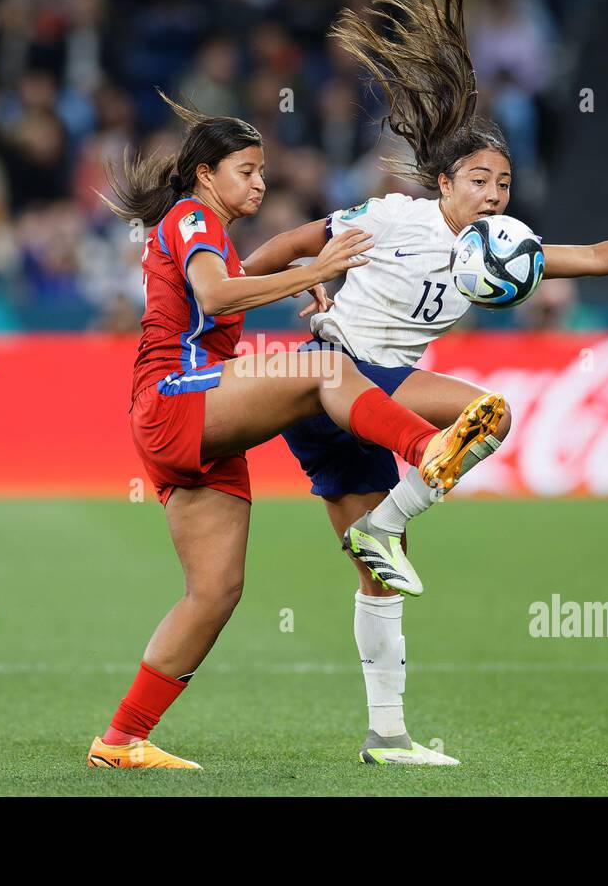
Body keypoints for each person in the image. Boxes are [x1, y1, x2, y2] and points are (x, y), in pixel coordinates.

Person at [242, 0, 608, 766]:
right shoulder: (396, 218)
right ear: (443, 182)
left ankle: (388, 734)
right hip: (337, 375)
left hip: (362, 405)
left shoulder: (504, 251)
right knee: (491, 413)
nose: (493, 194)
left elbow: (595, 253)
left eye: (504, 184)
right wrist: (249, 292)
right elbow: (302, 240)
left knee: (379, 580)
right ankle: (390, 521)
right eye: (479, 179)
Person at [86, 92, 512, 769]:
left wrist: (293, 282)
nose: (259, 183)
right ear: (206, 173)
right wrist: (316, 270)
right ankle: (426, 449)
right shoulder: (193, 214)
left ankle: (121, 738)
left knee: (216, 593)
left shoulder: (206, 229)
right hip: (176, 400)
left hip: (198, 424)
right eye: (247, 170)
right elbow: (217, 296)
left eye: (262, 171)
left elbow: (217, 299)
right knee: (322, 366)